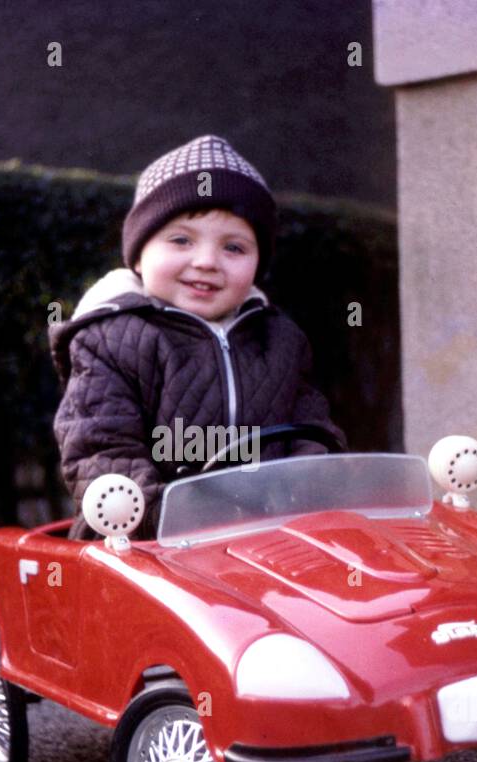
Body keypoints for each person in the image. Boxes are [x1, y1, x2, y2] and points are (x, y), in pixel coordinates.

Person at [49, 134, 346, 540]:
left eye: (234, 248)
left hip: (268, 539)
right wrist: (168, 516)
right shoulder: (111, 339)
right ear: (138, 255)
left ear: (258, 264)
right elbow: (102, 450)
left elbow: (313, 431)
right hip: (146, 544)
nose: (206, 261)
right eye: (181, 240)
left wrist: (313, 489)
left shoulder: (279, 340)